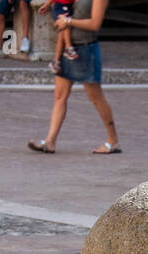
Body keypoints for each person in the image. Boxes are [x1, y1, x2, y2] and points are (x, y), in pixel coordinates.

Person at [27, 0, 120, 155]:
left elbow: (95, 24)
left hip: (86, 49)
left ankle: (113, 140)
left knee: (95, 97)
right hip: (66, 48)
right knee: (59, 95)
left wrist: (69, 21)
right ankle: (50, 141)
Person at [35, 0, 76, 74]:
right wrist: (47, 5)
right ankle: (68, 47)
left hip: (68, 5)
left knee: (61, 35)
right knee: (65, 25)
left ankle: (56, 60)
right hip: (61, 6)